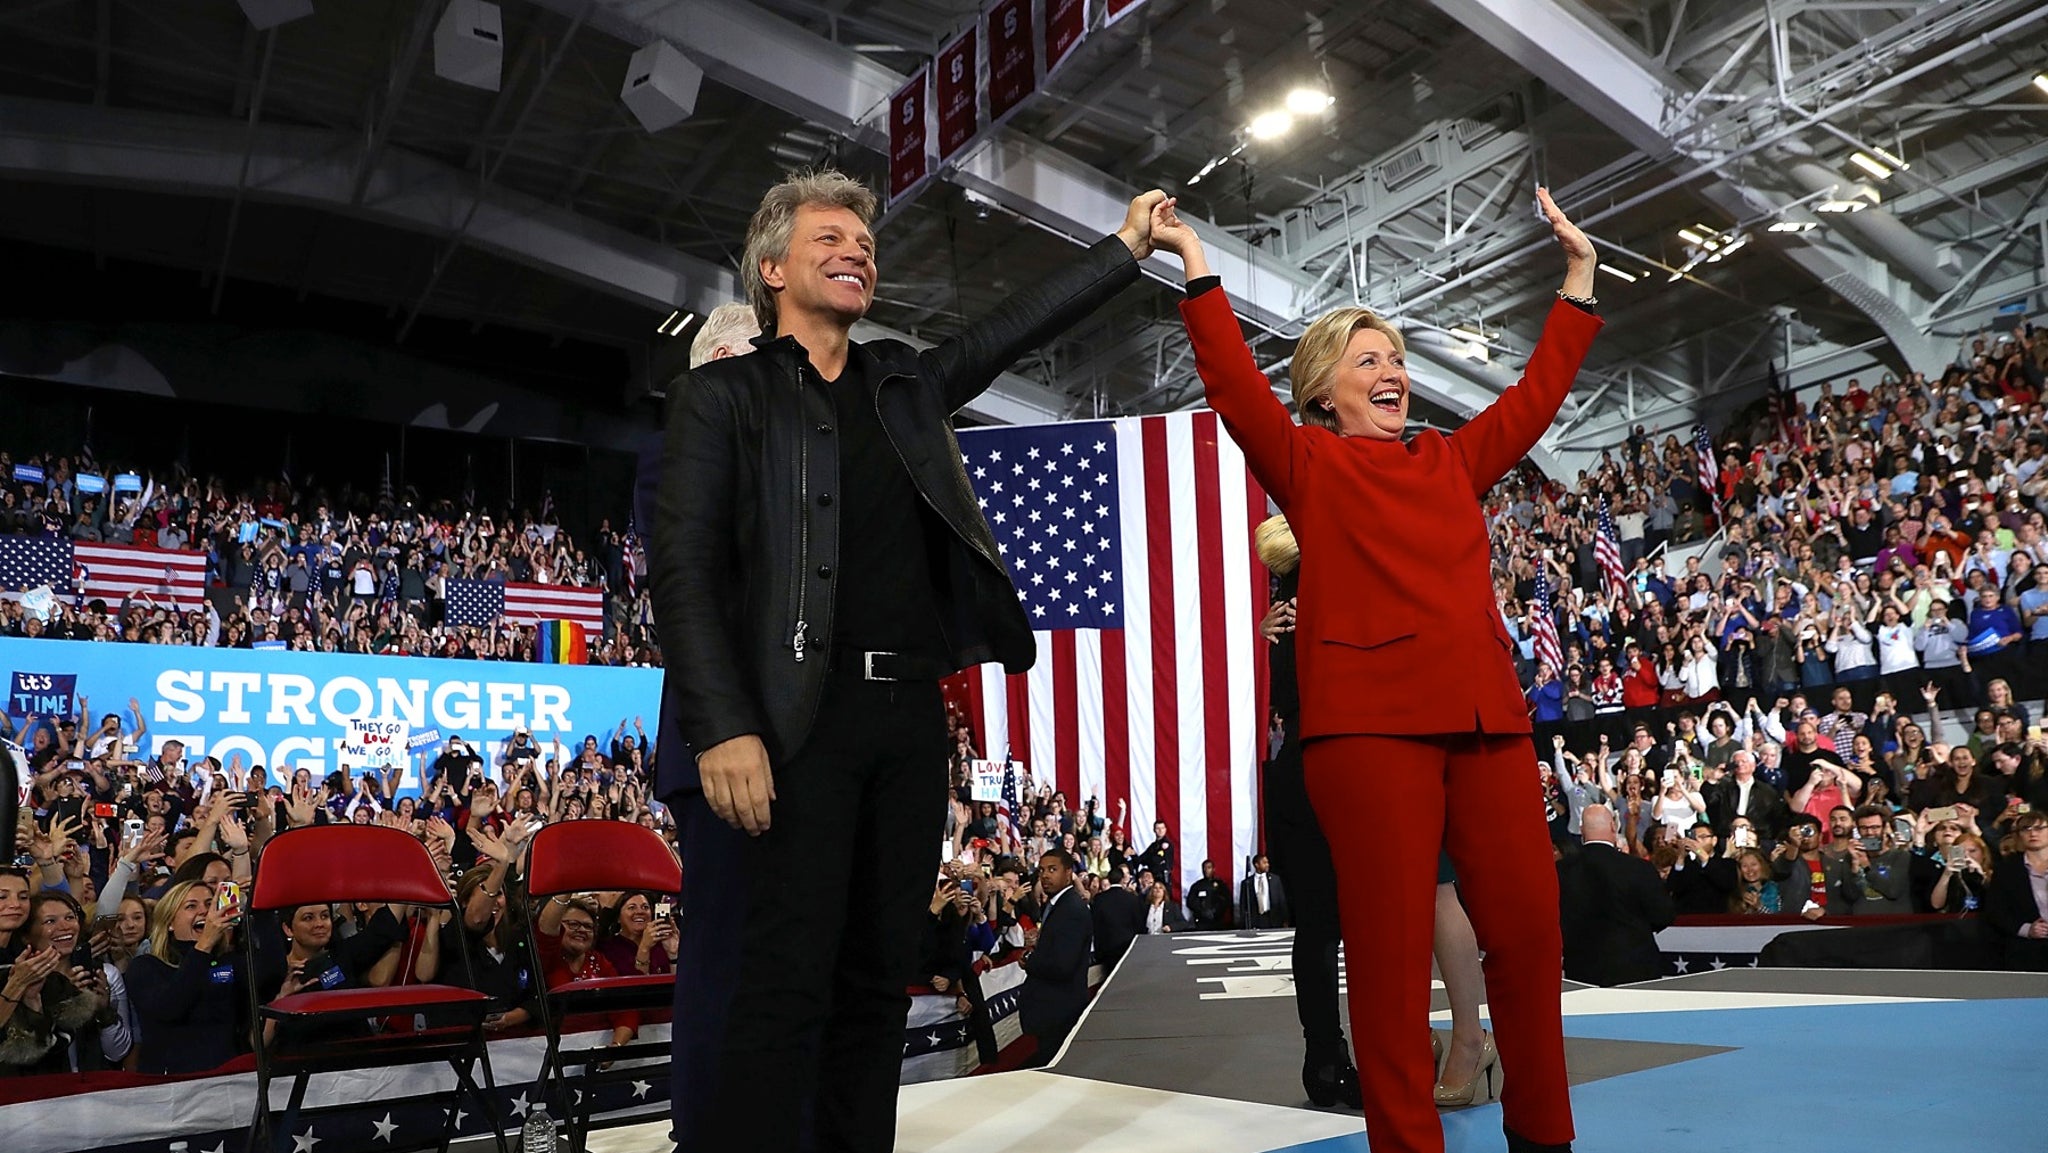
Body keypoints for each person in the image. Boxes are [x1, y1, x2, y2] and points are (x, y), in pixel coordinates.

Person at [649, 169, 1158, 1153]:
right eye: (828, 238)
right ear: (770, 269)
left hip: (905, 724)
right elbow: (683, 574)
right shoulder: (721, 398)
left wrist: (1124, 247)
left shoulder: (900, 382)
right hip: (795, 719)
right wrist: (725, 725)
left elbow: (1006, 330)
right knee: (782, 984)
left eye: (865, 243)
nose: (856, 251)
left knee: (874, 984)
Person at [1153, 186, 1599, 1153]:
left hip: (1487, 718)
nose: (1393, 369)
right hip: (1366, 733)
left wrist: (1576, 281)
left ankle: (1547, 1135)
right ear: (1324, 390)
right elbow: (1232, 383)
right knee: (1392, 959)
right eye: (1370, 360)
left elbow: (1532, 402)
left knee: (1528, 936)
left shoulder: (1452, 457)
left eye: (1395, 356)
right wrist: (1193, 258)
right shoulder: (1306, 462)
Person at [126, 879, 247, 1075]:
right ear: (170, 922)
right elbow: (169, 1008)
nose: (205, 912)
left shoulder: (229, 962)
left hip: (228, 1081)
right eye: (191, 906)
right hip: (173, 1087)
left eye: (210, 904)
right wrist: (204, 944)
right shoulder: (145, 966)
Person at [1556, 806, 1675, 987]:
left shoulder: (1560, 871)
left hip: (1581, 971)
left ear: (1582, 831)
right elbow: (1663, 915)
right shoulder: (1638, 868)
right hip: (1635, 968)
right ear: (1613, 827)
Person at [1018, 849, 1092, 1066]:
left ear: (1068, 873)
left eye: (1052, 869)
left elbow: (1062, 965)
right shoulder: (1058, 905)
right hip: (1052, 1009)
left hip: (1059, 1010)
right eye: (1041, 870)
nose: (1045, 876)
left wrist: (1030, 962)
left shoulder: (1071, 909)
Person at [1984, 809, 2048, 970]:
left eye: (2039, 828)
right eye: (2026, 829)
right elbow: (1995, 909)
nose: (2033, 833)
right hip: (2026, 951)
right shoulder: (2006, 869)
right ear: (2019, 835)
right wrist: (2027, 929)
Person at [1184, 859, 1232, 930]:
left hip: (1217, 921)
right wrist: (1202, 912)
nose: (1206, 870)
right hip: (1201, 921)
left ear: (1213, 869)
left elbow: (1226, 900)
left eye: (1209, 868)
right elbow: (1190, 902)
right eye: (1204, 868)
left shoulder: (1221, 885)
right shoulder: (1197, 886)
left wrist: (1215, 911)